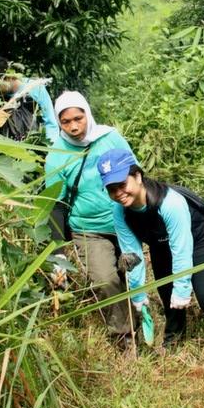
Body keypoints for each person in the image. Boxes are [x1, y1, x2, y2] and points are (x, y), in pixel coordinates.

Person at [96, 147, 204, 349]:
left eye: (122, 184)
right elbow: (131, 256)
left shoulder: (170, 203)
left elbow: (181, 249)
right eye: (112, 189)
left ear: (137, 176)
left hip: (196, 239)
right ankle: (173, 342)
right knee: (168, 296)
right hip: (159, 245)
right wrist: (138, 294)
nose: (118, 193)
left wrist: (182, 289)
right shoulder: (120, 212)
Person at [45, 91, 132, 347]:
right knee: (105, 280)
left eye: (78, 119)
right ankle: (123, 337)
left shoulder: (110, 138)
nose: (73, 127)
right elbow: (56, 205)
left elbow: (135, 175)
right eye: (65, 122)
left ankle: (139, 319)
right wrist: (58, 255)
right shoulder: (57, 155)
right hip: (89, 228)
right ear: (58, 123)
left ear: (88, 114)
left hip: (124, 222)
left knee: (128, 274)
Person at [0, 55, 59, 145]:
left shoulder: (35, 89)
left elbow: (50, 123)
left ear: (8, 77)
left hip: (33, 143)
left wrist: (49, 149)